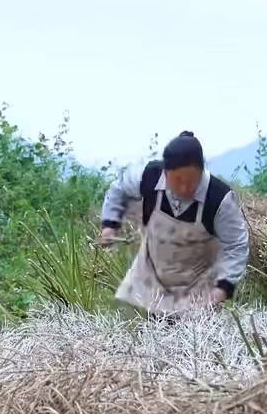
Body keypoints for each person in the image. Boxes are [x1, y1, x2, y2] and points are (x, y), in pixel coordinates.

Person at [99, 131, 250, 316]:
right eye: (177, 180)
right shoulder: (148, 175)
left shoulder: (220, 199)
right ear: (165, 172)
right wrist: (110, 224)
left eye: (192, 181)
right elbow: (118, 190)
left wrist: (223, 288)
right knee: (130, 337)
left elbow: (236, 246)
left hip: (197, 291)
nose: (184, 188)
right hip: (146, 281)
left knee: (189, 341)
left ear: (202, 171)